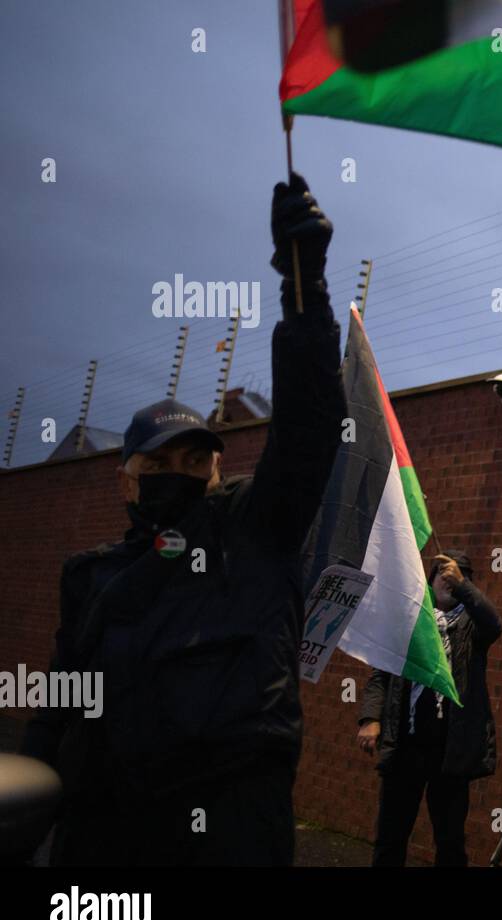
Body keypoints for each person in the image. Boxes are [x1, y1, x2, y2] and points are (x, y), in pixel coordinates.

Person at [20, 173, 345, 865]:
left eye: (197, 463)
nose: (181, 477)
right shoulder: (92, 579)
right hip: (104, 829)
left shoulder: (256, 531)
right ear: (124, 481)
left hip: (226, 828)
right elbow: (59, 705)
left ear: (220, 472)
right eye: (160, 466)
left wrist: (304, 287)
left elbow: (313, 425)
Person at [357, 550, 502, 866]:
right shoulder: (410, 623)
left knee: (449, 842)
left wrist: (463, 586)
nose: (448, 580)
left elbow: (494, 624)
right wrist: (370, 718)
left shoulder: (471, 628)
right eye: (442, 574)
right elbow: (381, 674)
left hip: (450, 750)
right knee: (390, 836)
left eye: (457, 574)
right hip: (406, 745)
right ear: (430, 579)